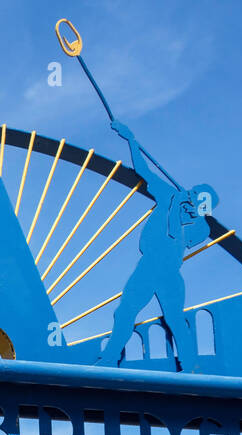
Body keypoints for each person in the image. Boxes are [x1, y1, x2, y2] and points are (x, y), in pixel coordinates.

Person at [99, 120, 218, 371]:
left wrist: (184, 207)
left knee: (175, 319)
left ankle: (189, 364)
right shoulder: (170, 196)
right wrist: (131, 140)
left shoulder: (201, 226)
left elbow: (183, 234)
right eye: (192, 191)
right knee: (124, 313)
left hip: (167, 273)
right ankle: (109, 359)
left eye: (196, 196)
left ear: (203, 206)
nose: (189, 194)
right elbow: (144, 170)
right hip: (148, 266)